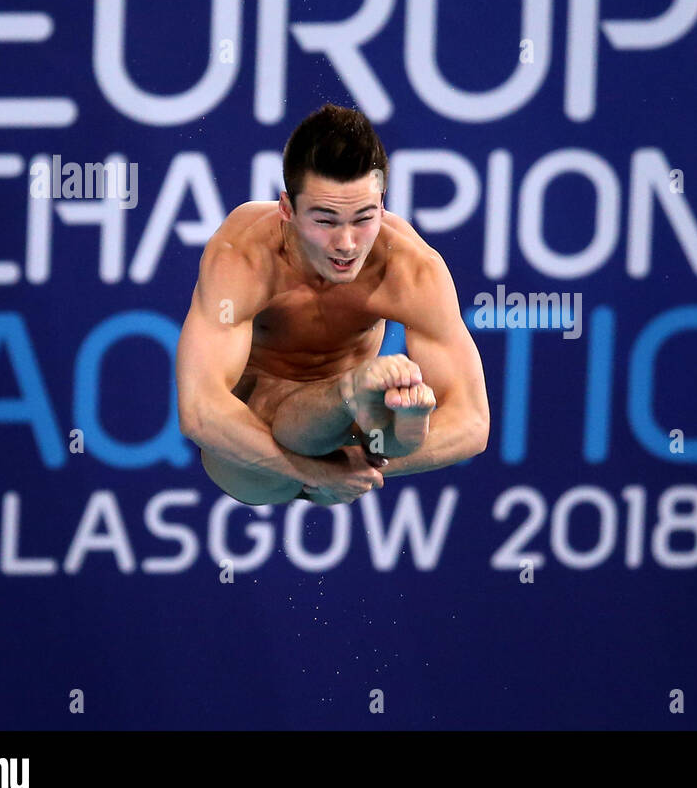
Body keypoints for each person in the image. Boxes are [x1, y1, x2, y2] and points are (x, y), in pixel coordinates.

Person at [175, 103, 490, 506]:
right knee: (283, 409)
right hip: (252, 456)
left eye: (363, 219)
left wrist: (359, 469)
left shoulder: (410, 268)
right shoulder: (246, 256)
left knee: (384, 419)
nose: (346, 243)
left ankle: (375, 408)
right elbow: (200, 410)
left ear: (381, 205)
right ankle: (357, 395)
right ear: (286, 209)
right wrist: (313, 471)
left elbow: (472, 422)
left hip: (350, 439)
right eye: (324, 221)